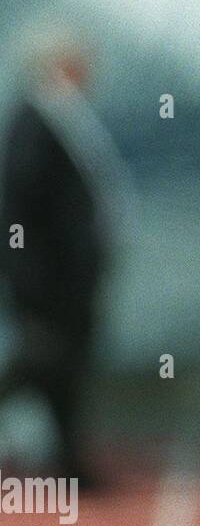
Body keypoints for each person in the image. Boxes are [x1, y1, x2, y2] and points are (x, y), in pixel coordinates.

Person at [0, 30, 123, 486]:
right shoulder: (35, 119)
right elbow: (23, 206)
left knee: (60, 371)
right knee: (40, 364)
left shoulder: (62, 116)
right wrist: (31, 275)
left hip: (68, 280)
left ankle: (72, 464)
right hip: (48, 282)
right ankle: (72, 465)